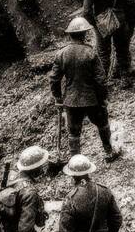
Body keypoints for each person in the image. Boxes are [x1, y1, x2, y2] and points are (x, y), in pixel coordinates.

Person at [50, 15, 117, 162]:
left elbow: (54, 79)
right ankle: (109, 152)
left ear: (70, 35)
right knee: (103, 124)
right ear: (85, 34)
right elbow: (100, 79)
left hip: (71, 101)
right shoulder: (90, 52)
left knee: (74, 133)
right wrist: (103, 98)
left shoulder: (61, 54)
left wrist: (58, 98)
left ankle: (75, 164)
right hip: (92, 99)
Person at [82, 0, 135, 88]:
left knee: (103, 52)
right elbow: (131, 2)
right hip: (121, 21)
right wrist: (128, 20)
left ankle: (103, 81)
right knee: (122, 50)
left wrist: (95, 24)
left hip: (102, 24)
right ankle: (125, 79)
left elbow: (86, 12)